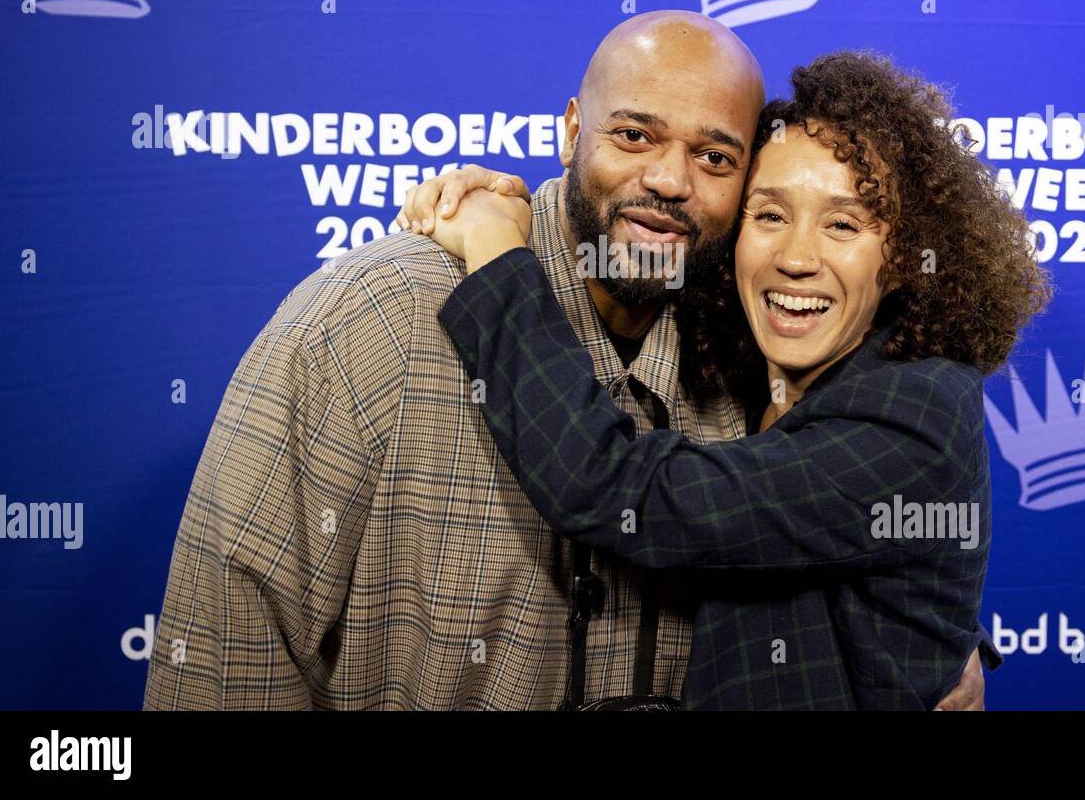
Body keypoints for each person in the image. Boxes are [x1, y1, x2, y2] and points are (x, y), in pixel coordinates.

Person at [144, 12, 988, 709]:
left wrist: (941, 645)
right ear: (572, 129)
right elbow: (226, 649)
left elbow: (805, 515)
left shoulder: (759, 341)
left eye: (715, 157)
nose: (668, 179)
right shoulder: (376, 318)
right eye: (634, 133)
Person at [404, 49, 1050, 708]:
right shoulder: (750, 350)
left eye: (843, 223)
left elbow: (615, 488)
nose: (796, 257)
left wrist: (495, 252)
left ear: (907, 254)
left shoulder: (915, 407)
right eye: (769, 215)